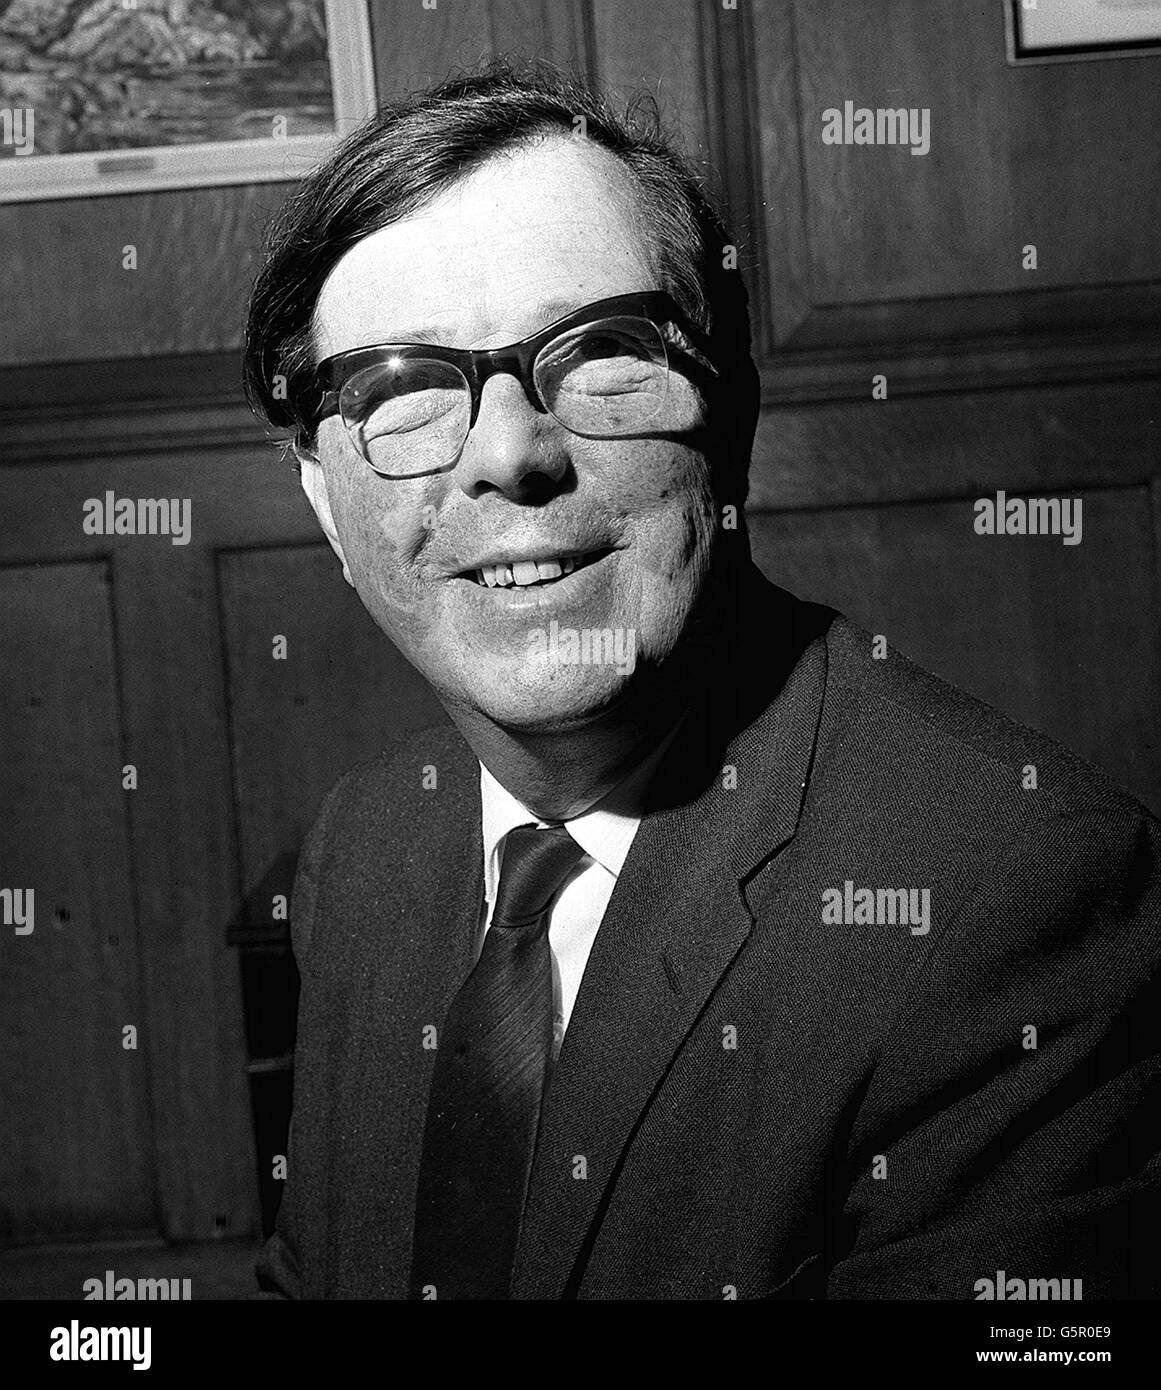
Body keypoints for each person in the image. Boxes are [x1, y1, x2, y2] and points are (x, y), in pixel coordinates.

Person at [243, 59, 1161, 1300]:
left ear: (729, 418)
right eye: (401, 391)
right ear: (326, 506)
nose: (512, 453)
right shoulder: (367, 845)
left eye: (602, 353)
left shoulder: (1020, 897)